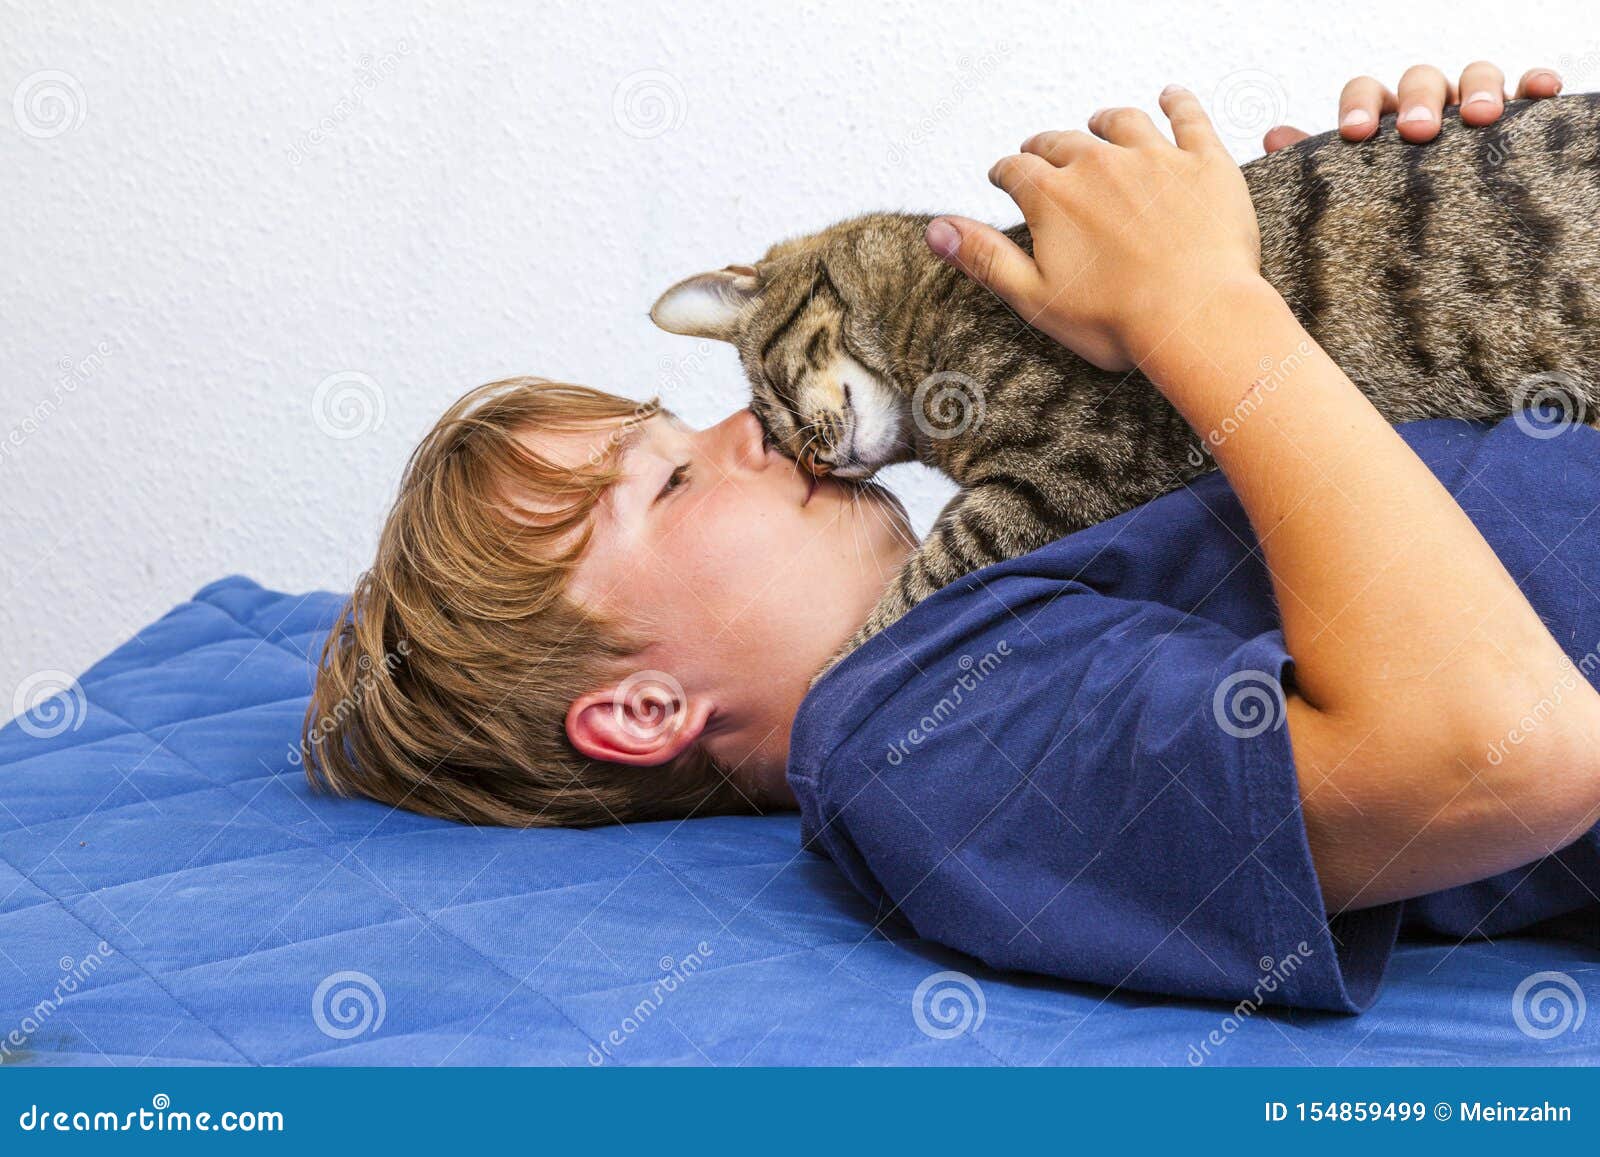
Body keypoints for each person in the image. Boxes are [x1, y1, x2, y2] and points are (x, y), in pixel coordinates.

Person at [305, 62, 1600, 1010]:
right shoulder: (917, 733)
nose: (751, 430)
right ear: (645, 709)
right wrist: (1209, 309)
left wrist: (1381, 230)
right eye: (679, 481)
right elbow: (1505, 750)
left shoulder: (1017, 567)